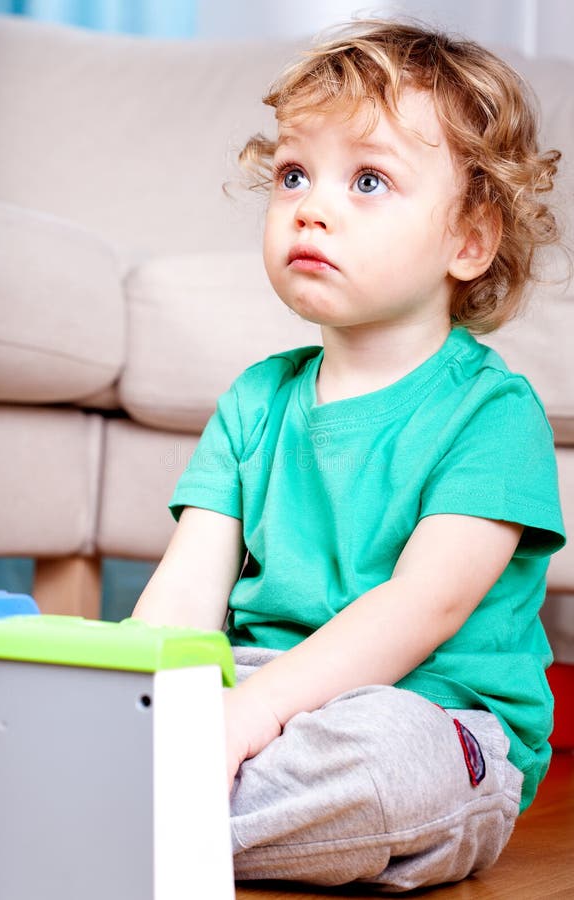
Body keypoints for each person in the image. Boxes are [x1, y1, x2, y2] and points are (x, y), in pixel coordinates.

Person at [133, 18, 566, 891]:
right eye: (294, 174)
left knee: (380, 763)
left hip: (431, 717)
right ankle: (135, 796)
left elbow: (422, 609)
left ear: (469, 240)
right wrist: (131, 701)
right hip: (256, 689)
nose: (311, 205)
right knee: (119, 715)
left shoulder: (492, 414)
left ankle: (115, 814)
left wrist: (246, 719)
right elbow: (182, 599)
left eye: (368, 179)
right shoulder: (256, 400)